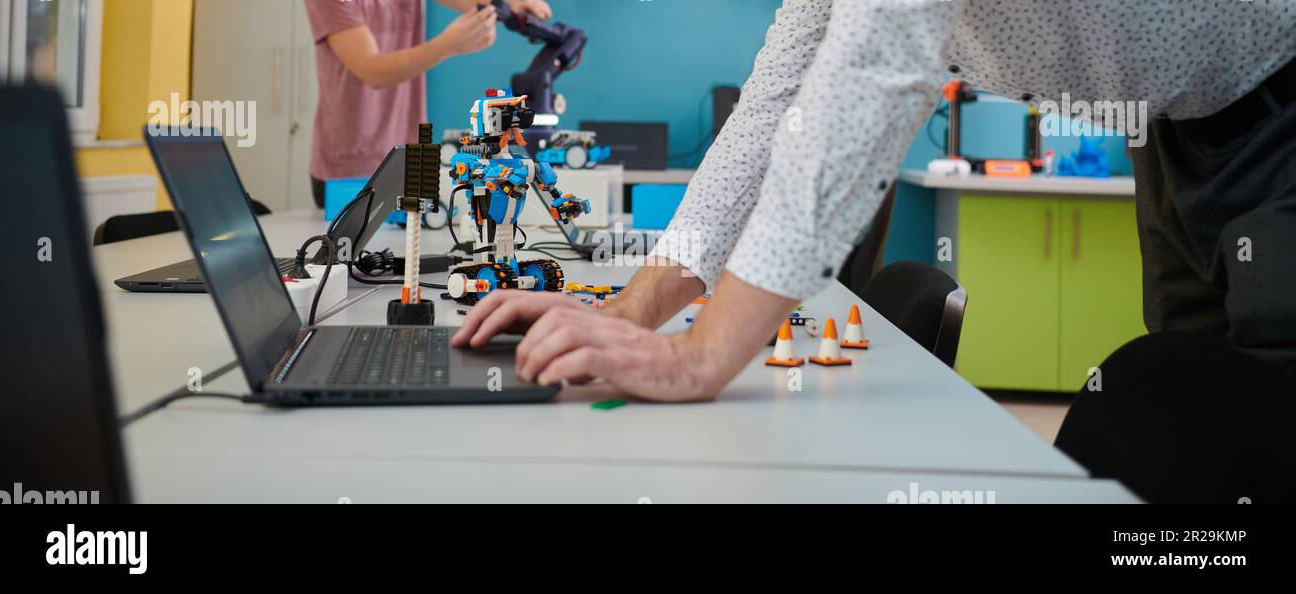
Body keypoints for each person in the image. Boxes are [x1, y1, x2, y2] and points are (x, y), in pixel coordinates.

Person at [454, 0, 1296, 405]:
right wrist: (633, 311)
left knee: (1270, 413)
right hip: (1180, 122)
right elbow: (773, 107)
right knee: (1207, 410)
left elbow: (870, 72)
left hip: (1279, 96)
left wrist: (700, 357)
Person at [304, 0, 553, 209]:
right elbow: (372, 70)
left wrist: (508, 4)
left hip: (408, 162)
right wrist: (447, 45)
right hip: (349, 170)